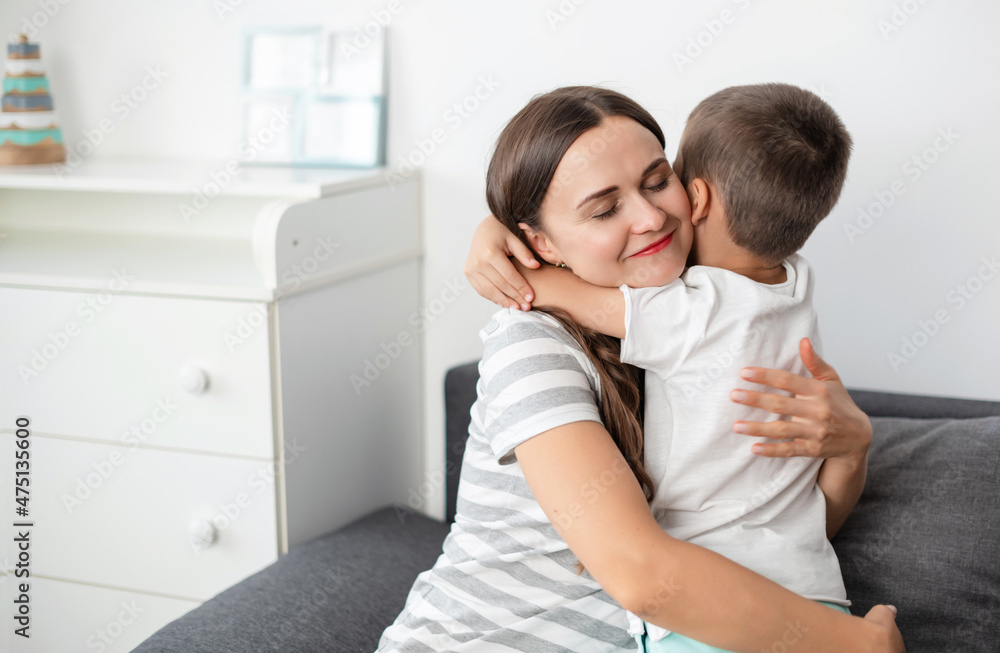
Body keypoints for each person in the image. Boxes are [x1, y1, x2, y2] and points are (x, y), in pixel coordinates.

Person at [376, 86, 903, 652]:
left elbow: (756, 534)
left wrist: (851, 452)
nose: (652, 217)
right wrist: (854, 644)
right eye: (605, 209)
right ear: (540, 242)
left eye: (657, 181)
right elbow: (640, 573)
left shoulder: (724, 315)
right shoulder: (531, 345)